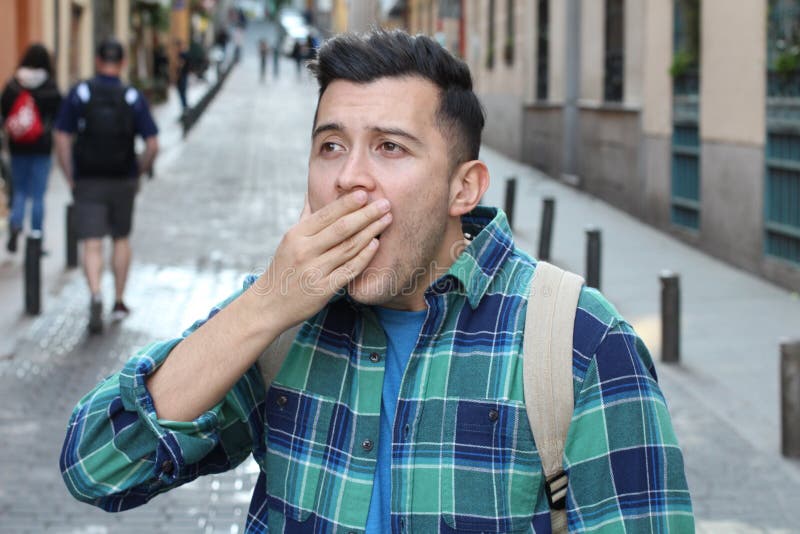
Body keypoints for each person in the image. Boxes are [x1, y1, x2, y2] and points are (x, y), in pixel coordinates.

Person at [60, 30, 693, 532]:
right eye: (331, 146)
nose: (348, 180)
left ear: (462, 188)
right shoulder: (283, 323)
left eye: (390, 147)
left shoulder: (582, 346)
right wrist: (263, 307)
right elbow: (97, 467)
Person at [54, 38, 158, 333]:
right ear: (122, 63)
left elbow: (61, 137)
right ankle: (120, 301)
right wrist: (139, 170)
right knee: (121, 238)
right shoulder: (132, 97)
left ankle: (96, 293)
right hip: (123, 179)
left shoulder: (81, 93)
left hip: (87, 179)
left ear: (98, 61)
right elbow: (152, 144)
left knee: (92, 243)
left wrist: (69, 174)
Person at [1, 43, 61, 253]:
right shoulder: (50, 87)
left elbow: (4, 111)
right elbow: (58, 116)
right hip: (41, 147)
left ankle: (15, 225)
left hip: (17, 146)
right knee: (37, 195)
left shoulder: (13, 84)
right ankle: (36, 238)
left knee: (19, 191)